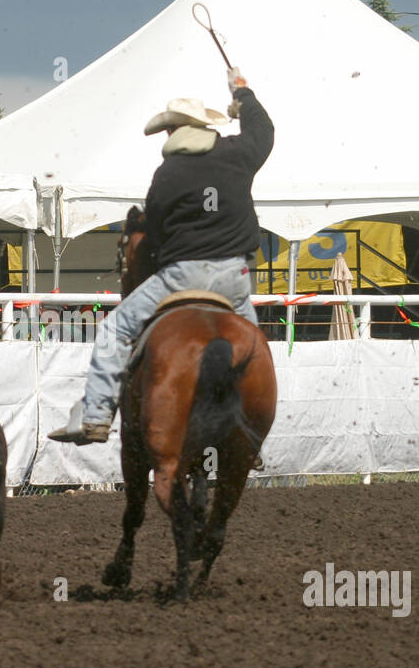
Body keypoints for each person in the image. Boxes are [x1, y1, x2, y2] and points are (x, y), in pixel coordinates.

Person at [50, 66, 274, 444]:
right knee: (255, 349)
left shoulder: (167, 175)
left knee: (113, 331)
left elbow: (155, 234)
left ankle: (96, 417)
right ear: (205, 126)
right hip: (235, 279)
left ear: (173, 133)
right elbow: (263, 131)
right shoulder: (239, 153)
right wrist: (243, 95)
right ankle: (251, 433)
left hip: (181, 278)